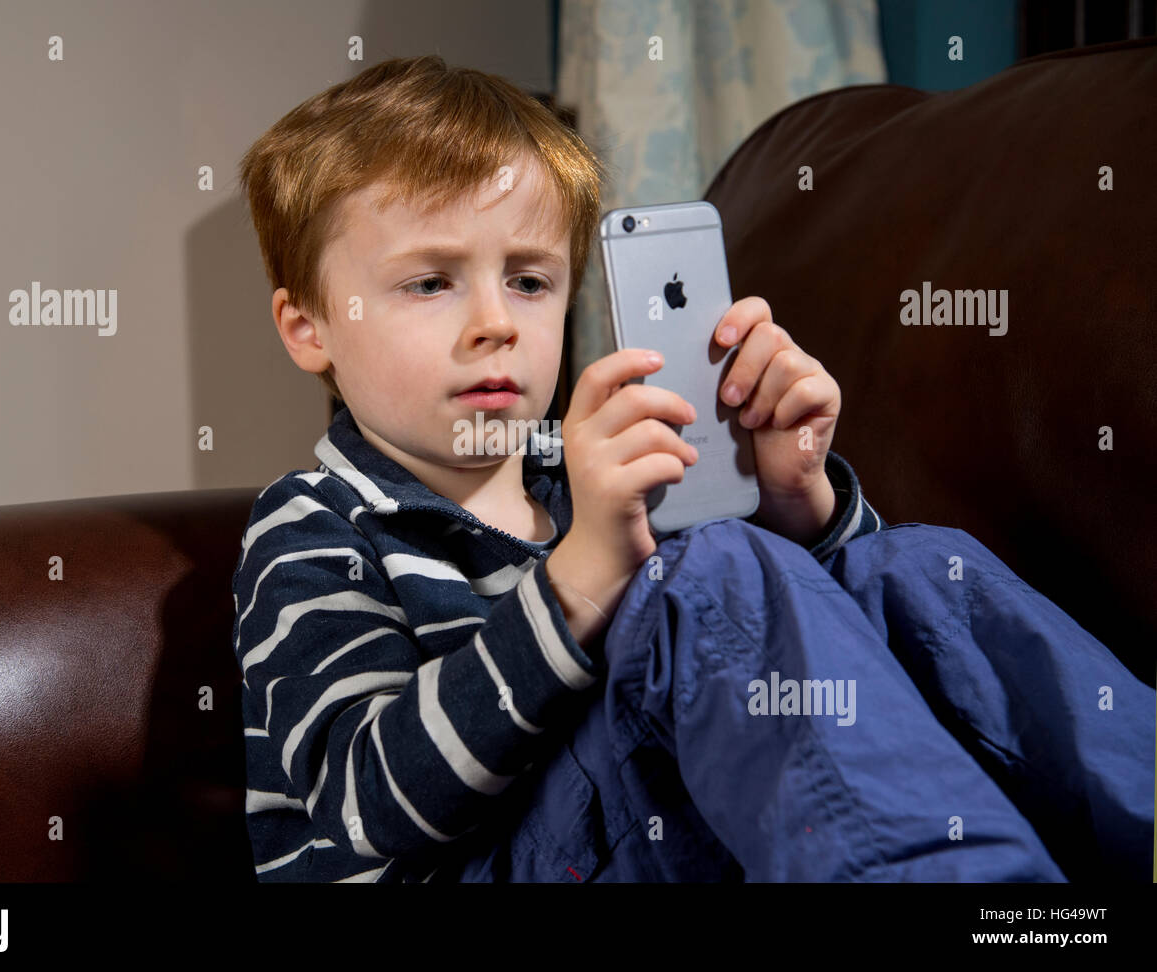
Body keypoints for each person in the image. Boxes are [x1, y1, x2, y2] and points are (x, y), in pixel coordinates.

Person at [231, 54, 1154, 882]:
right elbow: (367, 809)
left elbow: (829, 687)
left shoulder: (590, 486)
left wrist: (797, 509)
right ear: (308, 326)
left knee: (905, 566)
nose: (497, 322)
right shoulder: (314, 528)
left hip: (670, 833)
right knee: (703, 573)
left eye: (530, 278)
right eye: (430, 281)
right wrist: (582, 578)